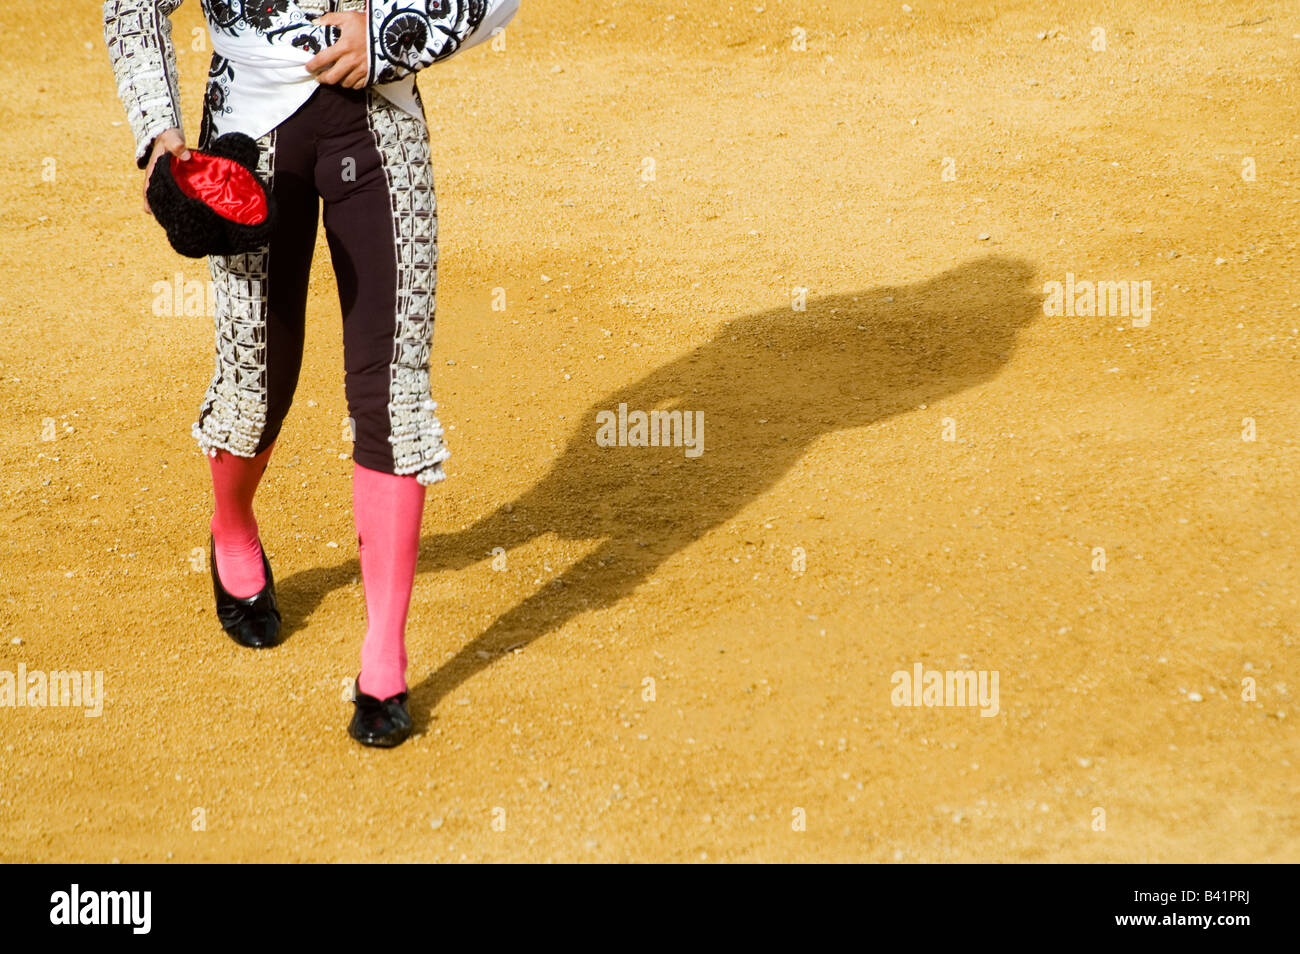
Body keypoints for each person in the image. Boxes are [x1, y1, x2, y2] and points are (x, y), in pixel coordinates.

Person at [103, 0, 520, 747]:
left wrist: (389, 27)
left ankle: (383, 663)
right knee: (255, 387)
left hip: (377, 116)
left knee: (393, 392)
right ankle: (232, 528)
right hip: (248, 132)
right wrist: (160, 137)